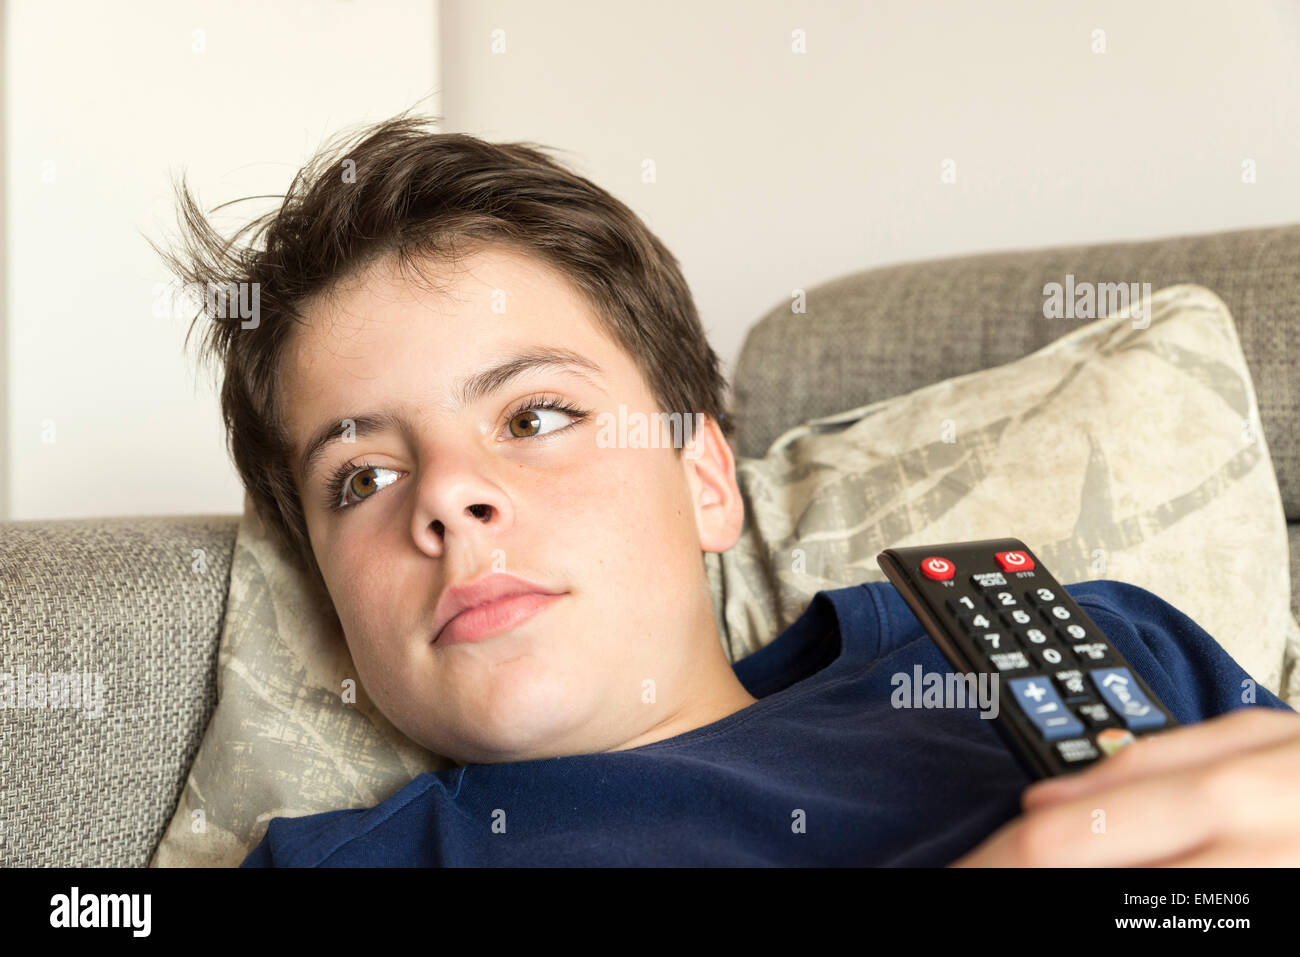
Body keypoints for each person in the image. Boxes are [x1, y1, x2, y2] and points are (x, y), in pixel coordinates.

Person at [155, 112, 1300, 867]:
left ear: (705, 478)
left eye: (535, 415)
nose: (448, 497)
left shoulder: (1089, 640)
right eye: (361, 475)